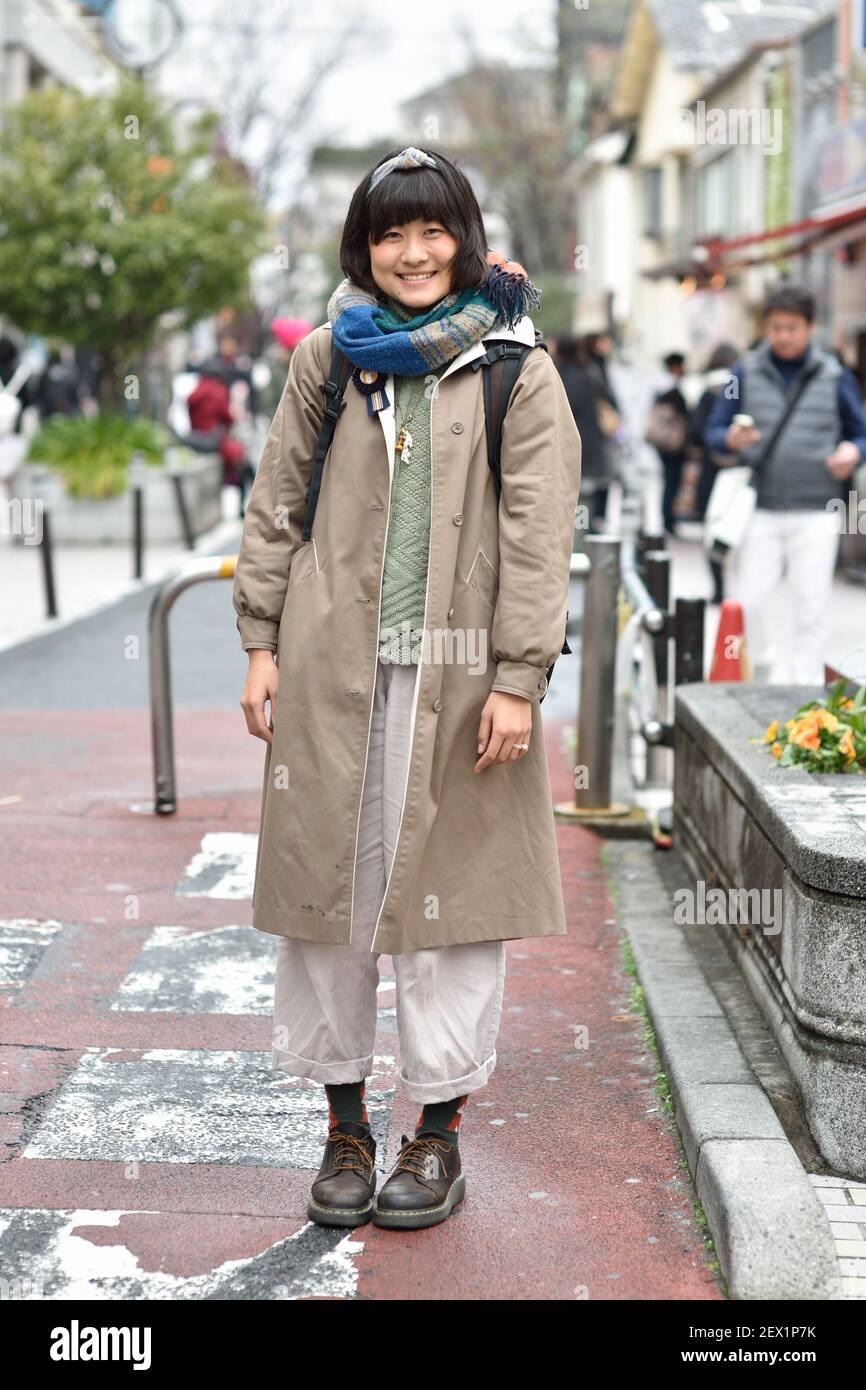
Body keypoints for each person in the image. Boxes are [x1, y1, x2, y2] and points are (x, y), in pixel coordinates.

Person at [232, 145, 582, 1231]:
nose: (414, 252)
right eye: (391, 233)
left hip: (465, 675)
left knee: (452, 910)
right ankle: (344, 1123)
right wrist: (259, 640)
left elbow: (536, 533)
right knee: (326, 900)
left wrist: (519, 678)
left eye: (433, 230)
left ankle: (436, 1135)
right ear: (363, 247)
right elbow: (274, 501)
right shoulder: (329, 357)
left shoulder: (516, 362)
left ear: (463, 237)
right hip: (335, 666)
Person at [703, 282, 866, 683]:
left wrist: (853, 452)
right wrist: (729, 439)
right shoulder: (742, 371)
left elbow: (861, 431)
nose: (783, 336)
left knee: (812, 608)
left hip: (818, 510)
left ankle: (804, 691)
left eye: (792, 327)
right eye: (776, 327)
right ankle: (762, 665)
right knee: (748, 603)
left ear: (810, 328)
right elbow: (713, 428)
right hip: (762, 508)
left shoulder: (835, 374)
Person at [689, 342, 740, 604]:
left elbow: (696, 430)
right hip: (742, 472)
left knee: (714, 529)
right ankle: (740, 589)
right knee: (740, 530)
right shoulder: (744, 386)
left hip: (713, 471)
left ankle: (719, 588)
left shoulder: (709, 389)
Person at [186, 356, 253, 515]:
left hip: (196, 439)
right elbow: (228, 418)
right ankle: (242, 508)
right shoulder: (218, 391)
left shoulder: (195, 391)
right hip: (214, 440)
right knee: (243, 462)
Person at [554, 333, 608, 530]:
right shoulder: (586, 373)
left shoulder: (566, 376)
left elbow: (568, 407)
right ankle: (580, 542)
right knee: (582, 501)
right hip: (588, 446)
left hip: (576, 448)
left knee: (578, 501)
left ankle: (578, 548)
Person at [648, 351, 690, 538]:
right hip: (672, 444)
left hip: (664, 442)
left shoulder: (660, 386)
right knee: (671, 482)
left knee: (669, 481)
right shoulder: (671, 389)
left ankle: (668, 519)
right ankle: (668, 520)